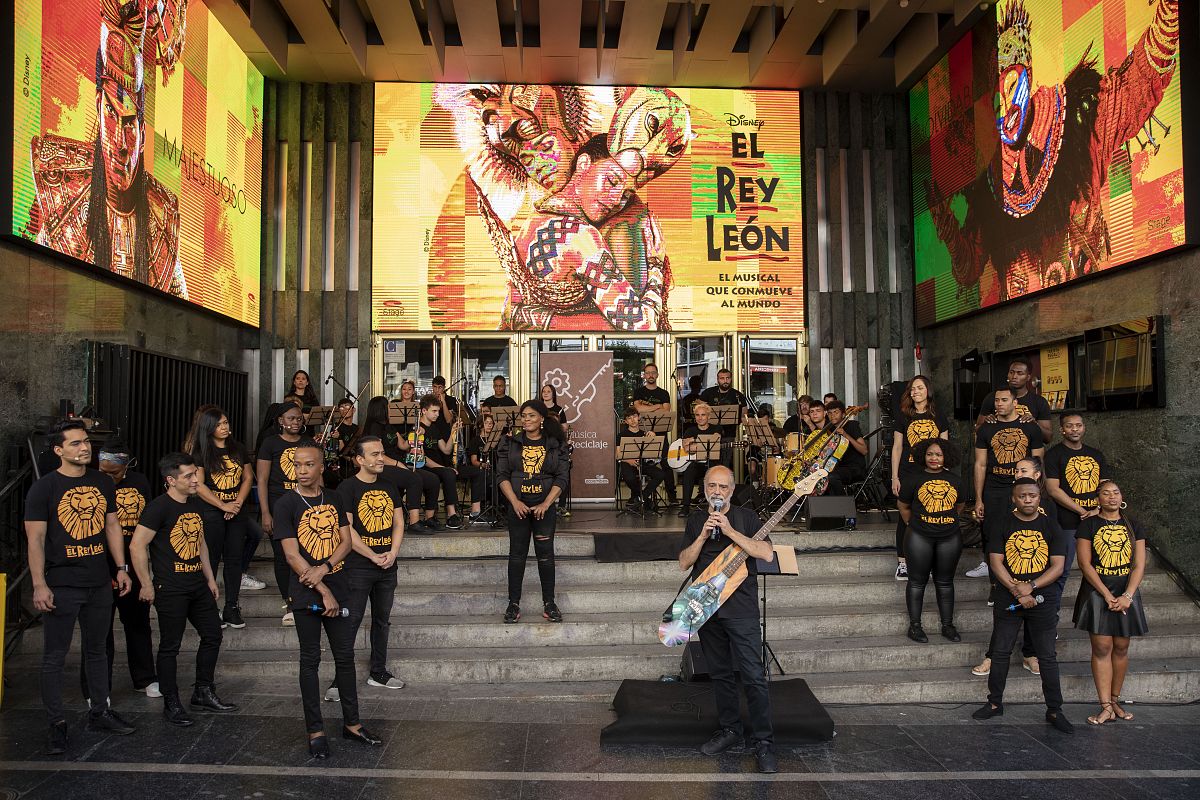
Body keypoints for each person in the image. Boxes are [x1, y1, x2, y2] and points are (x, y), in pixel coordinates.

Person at [25, 421, 137, 753]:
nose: (84, 448)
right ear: (59, 450)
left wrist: (121, 568)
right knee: (54, 657)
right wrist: (38, 584)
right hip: (62, 584)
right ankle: (56, 724)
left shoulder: (103, 481)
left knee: (98, 651)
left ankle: (99, 711)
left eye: (86, 442)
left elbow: (112, 526)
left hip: (99, 582)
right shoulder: (44, 488)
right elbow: (35, 540)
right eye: (75, 444)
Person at [273, 444, 381, 757]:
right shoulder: (286, 504)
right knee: (310, 660)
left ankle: (352, 724)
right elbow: (292, 555)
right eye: (297, 465)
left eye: (309, 465)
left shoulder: (334, 497)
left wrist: (326, 568)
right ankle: (315, 730)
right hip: (307, 591)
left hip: (337, 582)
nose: (302, 470)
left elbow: (346, 541)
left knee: (344, 657)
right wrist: (323, 588)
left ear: (322, 467)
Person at [678, 465, 777, 774]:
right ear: (705, 489)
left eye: (723, 487)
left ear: (732, 491)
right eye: (712, 486)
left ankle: (764, 743)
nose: (717, 491)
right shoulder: (696, 520)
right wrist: (703, 536)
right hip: (706, 607)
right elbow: (683, 562)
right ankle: (731, 730)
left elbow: (767, 553)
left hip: (742, 608)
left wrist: (731, 531)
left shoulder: (747, 518)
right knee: (720, 674)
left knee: (752, 675)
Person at [130, 453, 236, 726]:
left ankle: (203, 690)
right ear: (171, 480)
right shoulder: (158, 508)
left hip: (197, 585)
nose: (195, 480)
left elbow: (200, 543)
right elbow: (137, 545)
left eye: (195, 474)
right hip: (171, 588)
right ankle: (171, 701)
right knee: (170, 646)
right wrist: (146, 583)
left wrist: (211, 579)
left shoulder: (195, 505)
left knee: (213, 635)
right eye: (188, 476)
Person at [973, 478, 1073, 734]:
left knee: (1047, 656)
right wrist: (1017, 590)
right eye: (1022, 496)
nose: (1028, 500)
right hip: (1009, 595)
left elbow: (1058, 566)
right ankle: (995, 703)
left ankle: (1054, 710)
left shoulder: (1051, 525)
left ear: (1039, 496)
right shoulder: (1001, 523)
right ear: (1014, 499)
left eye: (1032, 495)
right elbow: (996, 561)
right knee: (1001, 652)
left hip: (1042, 598)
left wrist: (1032, 586)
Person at [78, 439, 159, 705]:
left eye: (114, 472)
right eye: (103, 471)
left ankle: (145, 678)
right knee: (99, 628)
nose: (108, 476)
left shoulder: (139, 481)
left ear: (127, 467)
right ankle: (96, 688)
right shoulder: (88, 483)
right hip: (100, 563)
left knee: (138, 622)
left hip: (134, 560)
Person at [328, 436, 407, 700]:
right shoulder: (347, 488)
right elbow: (346, 530)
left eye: (382, 453)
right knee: (350, 622)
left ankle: (378, 672)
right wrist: (372, 555)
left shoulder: (389, 485)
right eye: (374, 454)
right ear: (360, 459)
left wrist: (393, 553)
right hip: (358, 567)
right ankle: (340, 680)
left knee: (382, 621)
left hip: (387, 566)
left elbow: (398, 521)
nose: (381, 458)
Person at [1073, 479, 1148, 725]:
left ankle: (1115, 699)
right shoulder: (1089, 525)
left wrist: (1127, 596)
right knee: (1102, 648)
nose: (1111, 497)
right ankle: (1104, 704)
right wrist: (1106, 594)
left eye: (1116, 492)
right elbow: (1085, 564)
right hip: (1097, 591)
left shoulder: (1133, 524)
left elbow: (1139, 565)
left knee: (1122, 647)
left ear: (1121, 496)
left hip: (1126, 590)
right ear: (1098, 499)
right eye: (1105, 493)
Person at [496, 400, 570, 624]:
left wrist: (546, 504)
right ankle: (513, 604)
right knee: (517, 555)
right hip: (518, 509)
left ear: (541, 419)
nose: (526, 419)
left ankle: (549, 603)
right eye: (523, 416)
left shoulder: (555, 444)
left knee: (546, 556)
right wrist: (515, 502)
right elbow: (502, 476)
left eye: (530, 416)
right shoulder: (510, 443)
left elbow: (562, 477)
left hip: (543, 509)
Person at [969, 387, 1045, 580]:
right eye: (996, 400)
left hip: (1023, 488)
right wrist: (978, 498)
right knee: (992, 530)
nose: (999, 404)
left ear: (1015, 403)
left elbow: (1039, 463)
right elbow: (980, 464)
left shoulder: (1030, 426)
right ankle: (994, 579)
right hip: (994, 487)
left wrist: (1039, 493)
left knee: (1022, 530)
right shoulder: (987, 427)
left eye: (1004, 400)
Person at [189, 406, 254, 629]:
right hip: (210, 511)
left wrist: (236, 504)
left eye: (226, 422)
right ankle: (210, 606)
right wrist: (222, 504)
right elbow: (198, 485)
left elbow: (247, 478)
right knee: (212, 558)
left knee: (234, 559)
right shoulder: (201, 452)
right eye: (219, 424)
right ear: (209, 428)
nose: (225, 427)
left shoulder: (238, 448)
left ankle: (232, 606)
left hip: (236, 510)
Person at [897, 440, 965, 643]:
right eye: (929, 454)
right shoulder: (913, 479)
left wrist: (944, 521)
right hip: (919, 536)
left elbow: (960, 505)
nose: (934, 458)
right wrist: (914, 524)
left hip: (949, 537)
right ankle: (915, 626)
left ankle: (948, 626)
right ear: (923, 457)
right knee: (917, 582)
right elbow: (903, 505)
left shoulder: (956, 480)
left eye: (938, 455)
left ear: (947, 457)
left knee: (945, 583)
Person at [890, 375, 949, 581]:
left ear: (928, 391)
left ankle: (929, 562)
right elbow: (897, 448)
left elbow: (944, 448)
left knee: (930, 515)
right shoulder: (903, 415)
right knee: (904, 517)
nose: (915, 392)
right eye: (912, 389)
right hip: (908, 472)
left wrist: (945, 475)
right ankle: (903, 563)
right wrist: (894, 477)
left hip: (933, 474)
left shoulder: (938, 416)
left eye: (920, 388)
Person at [361, 392, 439, 535]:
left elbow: (403, 445)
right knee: (414, 478)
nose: (390, 409)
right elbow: (378, 456)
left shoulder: (389, 427)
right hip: (382, 467)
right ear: (381, 409)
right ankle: (414, 522)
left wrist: (415, 435)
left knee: (432, 479)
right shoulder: (374, 428)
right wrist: (398, 464)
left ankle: (429, 518)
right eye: (388, 407)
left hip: (397, 463)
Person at [1044, 412, 1107, 577]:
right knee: (1062, 568)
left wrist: (1097, 509)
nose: (1074, 429)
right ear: (1062, 429)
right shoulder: (1053, 454)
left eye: (1078, 425)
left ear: (1084, 428)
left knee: (1101, 566)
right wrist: (1081, 511)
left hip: (1096, 517)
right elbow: (1052, 489)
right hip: (1066, 520)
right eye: (1069, 426)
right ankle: (1052, 603)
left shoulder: (1096, 455)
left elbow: (1106, 487)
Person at [408, 394, 465, 529]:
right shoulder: (418, 429)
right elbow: (422, 458)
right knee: (448, 473)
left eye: (438, 411)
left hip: (436, 466)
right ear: (424, 411)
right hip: (425, 466)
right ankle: (451, 514)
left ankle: (451, 515)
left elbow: (445, 449)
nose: (437, 414)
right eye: (434, 411)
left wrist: (453, 432)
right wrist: (443, 468)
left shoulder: (434, 427)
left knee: (448, 473)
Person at [976, 358, 1053, 443]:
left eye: (1020, 373)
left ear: (1028, 377)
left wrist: (1034, 423)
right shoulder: (993, 398)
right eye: (1011, 372)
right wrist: (986, 423)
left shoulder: (1039, 402)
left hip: (1028, 454)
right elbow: (978, 430)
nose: (1014, 376)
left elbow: (1048, 438)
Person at [633, 363, 677, 504]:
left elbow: (665, 412)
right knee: (638, 463)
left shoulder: (663, 393)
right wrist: (657, 406)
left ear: (657, 375)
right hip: (643, 435)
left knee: (666, 464)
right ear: (644, 375)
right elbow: (638, 410)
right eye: (648, 373)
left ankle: (672, 495)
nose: (650, 375)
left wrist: (648, 408)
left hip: (660, 435)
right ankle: (636, 495)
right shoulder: (638, 392)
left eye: (653, 372)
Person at [677, 402, 722, 517]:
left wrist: (694, 442)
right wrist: (698, 443)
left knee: (718, 471)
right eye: (697, 415)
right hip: (697, 464)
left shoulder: (716, 427)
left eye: (703, 415)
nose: (700, 418)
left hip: (712, 463)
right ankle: (686, 506)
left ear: (709, 416)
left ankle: (716, 506)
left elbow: (716, 439)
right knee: (689, 470)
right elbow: (687, 448)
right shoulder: (690, 430)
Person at [617, 408, 665, 512]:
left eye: (634, 416)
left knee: (660, 474)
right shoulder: (621, 435)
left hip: (643, 463)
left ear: (639, 417)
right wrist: (629, 460)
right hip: (627, 462)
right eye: (629, 418)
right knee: (629, 478)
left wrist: (653, 438)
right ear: (626, 421)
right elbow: (618, 454)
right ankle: (645, 500)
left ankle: (640, 497)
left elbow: (654, 453)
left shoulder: (645, 434)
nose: (633, 420)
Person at [699, 368, 749, 449]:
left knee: (726, 459)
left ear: (731, 379)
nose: (725, 381)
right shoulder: (708, 393)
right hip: (710, 433)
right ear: (718, 379)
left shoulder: (738, 395)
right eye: (722, 378)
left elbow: (744, 414)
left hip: (729, 435)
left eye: (727, 378)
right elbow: (699, 410)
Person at [825, 401, 867, 495]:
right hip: (838, 468)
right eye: (830, 413)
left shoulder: (852, 426)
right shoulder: (830, 430)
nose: (832, 415)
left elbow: (864, 450)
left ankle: (844, 506)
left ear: (843, 414)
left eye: (836, 412)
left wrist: (845, 435)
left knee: (831, 477)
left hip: (855, 468)